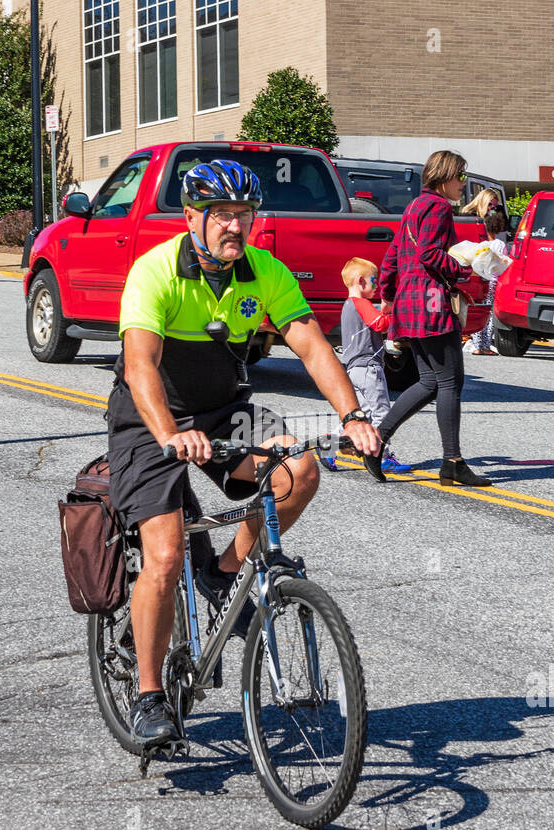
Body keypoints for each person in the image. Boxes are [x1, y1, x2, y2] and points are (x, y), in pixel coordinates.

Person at [106, 159, 381, 745]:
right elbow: (140, 366)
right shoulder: (154, 272)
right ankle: (150, 694)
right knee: (162, 553)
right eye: (221, 215)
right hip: (150, 420)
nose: (235, 226)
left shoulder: (266, 273)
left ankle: (224, 573)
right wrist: (168, 436)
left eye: (244, 215)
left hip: (224, 415)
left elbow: (311, 346)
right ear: (191, 218)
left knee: (297, 470)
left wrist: (352, 416)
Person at [369, 149, 491, 487]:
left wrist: (388, 294)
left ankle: (376, 441)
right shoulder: (437, 207)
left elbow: (394, 254)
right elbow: (430, 254)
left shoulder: (414, 206)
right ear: (444, 176)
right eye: (459, 176)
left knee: (429, 382)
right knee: (451, 382)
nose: (462, 184)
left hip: (411, 300)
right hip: (432, 302)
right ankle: (452, 461)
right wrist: (465, 267)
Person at [320, 257, 412, 473]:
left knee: (359, 414)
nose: (377, 285)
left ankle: (330, 443)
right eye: (374, 280)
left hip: (353, 368)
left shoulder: (348, 305)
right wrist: (399, 317)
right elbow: (379, 323)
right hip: (369, 367)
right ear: (361, 281)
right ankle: (384, 456)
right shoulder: (361, 304)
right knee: (382, 414)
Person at [460, 188, 506, 355]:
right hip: (470, 271)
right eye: (490, 205)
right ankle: (479, 344)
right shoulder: (469, 219)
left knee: (481, 308)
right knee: (480, 307)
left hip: (479, 273)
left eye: (494, 206)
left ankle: (479, 343)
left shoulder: (486, 222)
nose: (492, 209)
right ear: (483, 202)